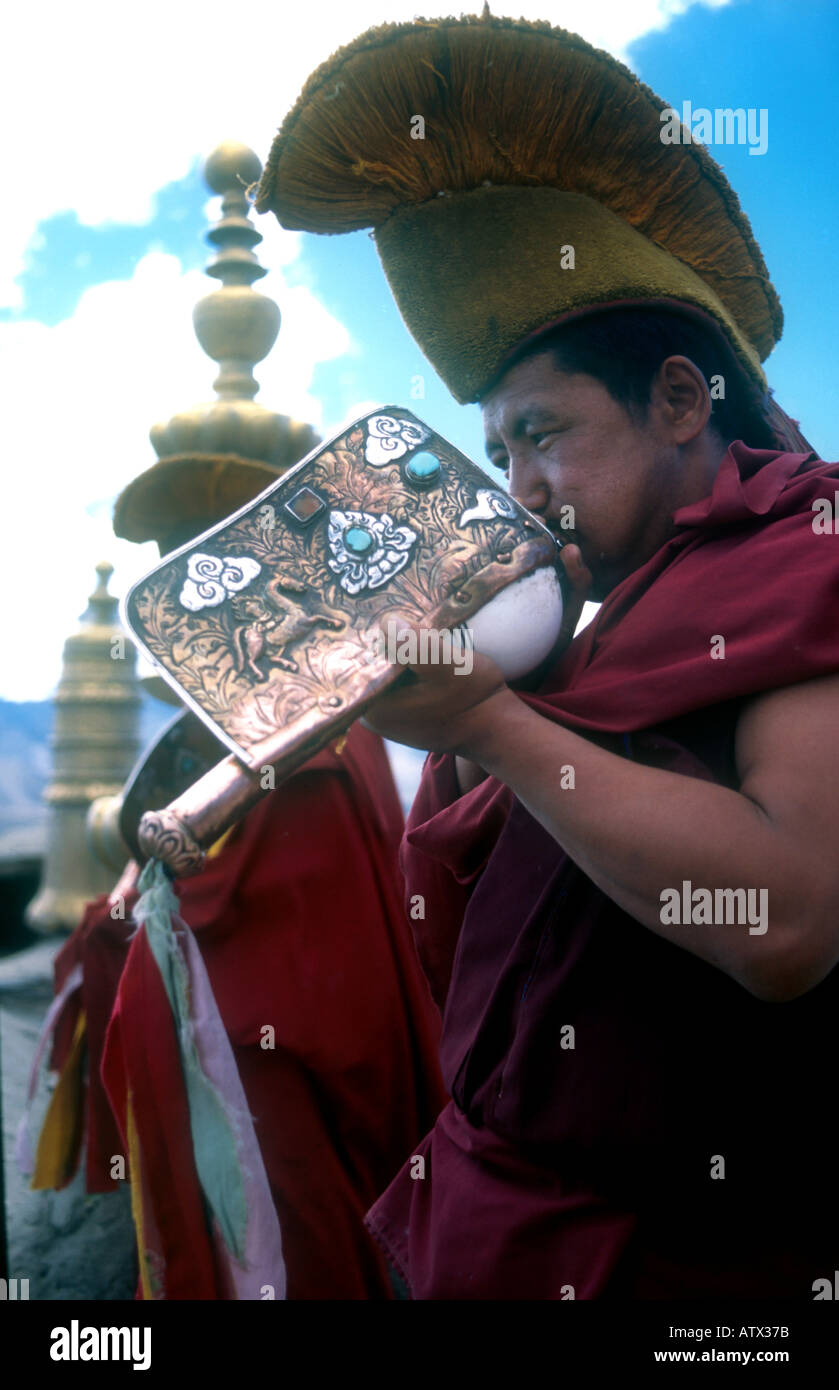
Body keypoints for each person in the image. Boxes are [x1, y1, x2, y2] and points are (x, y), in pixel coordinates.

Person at [254, 13, 839, 1298]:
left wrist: (497, 726)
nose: (517, 486)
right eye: (499, 451)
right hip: (500, 1218)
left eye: (542, 435)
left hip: (676, 1260)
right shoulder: (613, 608)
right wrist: (510, 686)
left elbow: (788, 916)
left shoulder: (808, 556)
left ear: (679, 402)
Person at [34, 470, 447, 1302]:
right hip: (284, 1035)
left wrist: (139, 902)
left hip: (284, 1043)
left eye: (200, 571)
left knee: (293, 1231)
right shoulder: (289, 703)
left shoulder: (304, 717)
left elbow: (268, 906)